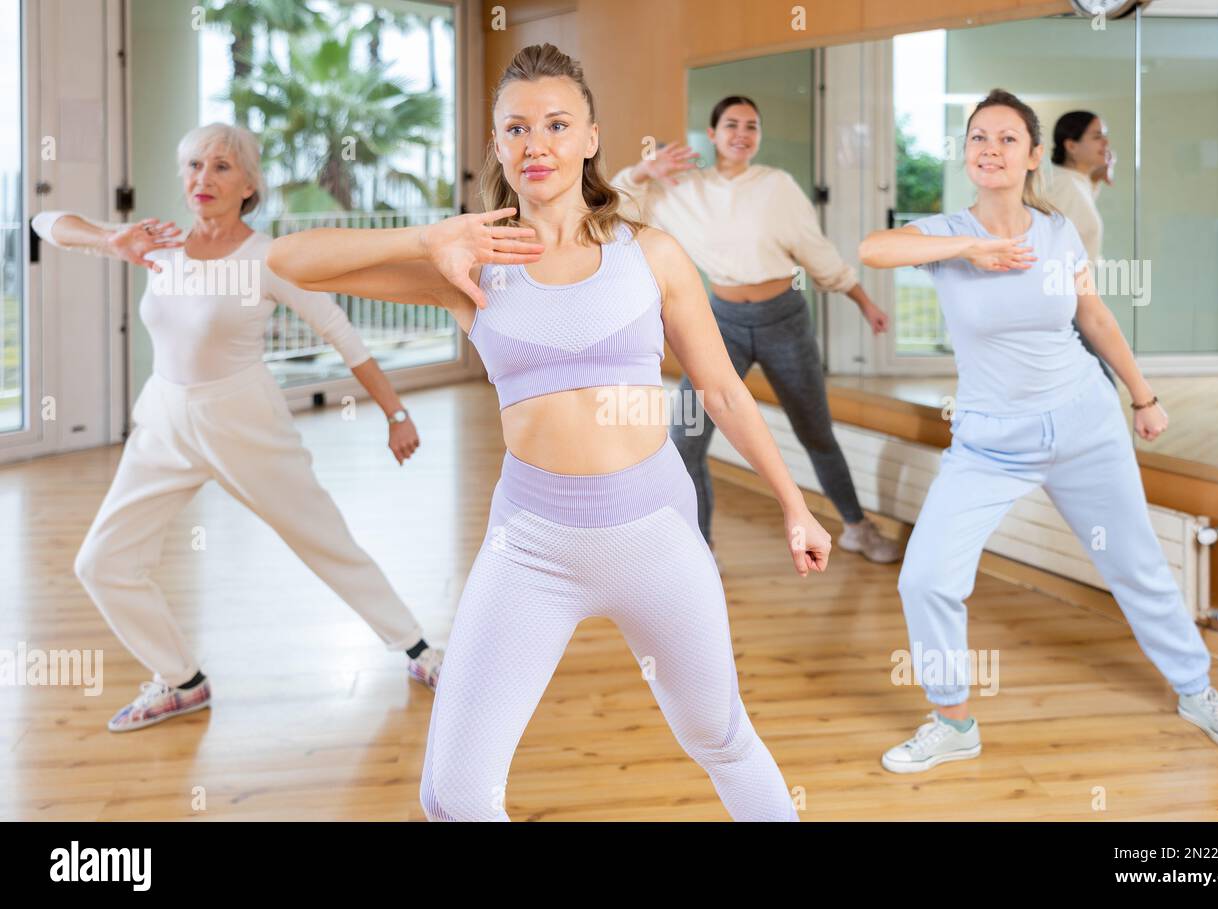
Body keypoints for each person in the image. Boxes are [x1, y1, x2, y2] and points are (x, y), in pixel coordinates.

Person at [267, 43, 832, 821]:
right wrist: (426, 238)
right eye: (516, 129)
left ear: (591, 137)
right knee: (456, 791)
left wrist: (793, 503)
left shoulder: (651, 252)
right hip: (532, 544)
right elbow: (289, 258)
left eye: (557, 124)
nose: (536, 145)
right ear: (497, 145)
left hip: (658, 534)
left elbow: (724, 392)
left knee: (721, 736)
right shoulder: (471, 269)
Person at [858, 89, 1218, 773]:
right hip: (988, 441)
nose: (990, 148)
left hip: (1083, 423)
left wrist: (1143, 395)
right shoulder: (944, 235)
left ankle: (1197, 689)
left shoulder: (1056, 230)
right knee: (925, 575)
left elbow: (1093, 317)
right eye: (978, 137)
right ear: (966, 153)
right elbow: (872, 248)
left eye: (1008, 138)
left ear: (1034, 155)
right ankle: (952, 719)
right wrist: (970, 247)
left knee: (1136, 565)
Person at [34, 123, 443, 733]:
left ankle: (418, 650)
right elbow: (47, 223)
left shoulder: (266, 259)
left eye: (223, 167)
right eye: (195, 164)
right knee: (102, 561)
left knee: (321, 538)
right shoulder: (156, 245)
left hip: (244, 422)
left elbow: (339, 330)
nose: (204, 177)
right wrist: (110, 238)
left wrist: (397, 413)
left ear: (250, 184)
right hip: (165, 421)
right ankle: (180, 681)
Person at [609, 97, 900, 567]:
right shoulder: (681, 189)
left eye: (751, 126)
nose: (742, 133)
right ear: (713, 131)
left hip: (784, 319)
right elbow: (615, 208)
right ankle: (700, 547)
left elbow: (815, 249)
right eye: (731, 124)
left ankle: (856, 528)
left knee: (815, 431)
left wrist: (862, 300)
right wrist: (644, 171)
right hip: (719, 321)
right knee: (687, 437)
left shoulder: (777, 186)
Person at [1044, 109, 1116, 385]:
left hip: (1071, 300)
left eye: (1106, 136)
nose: (1106, 144)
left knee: (1094, 383)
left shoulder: (1073, 182)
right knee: (1102, 382)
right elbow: (1055, 243)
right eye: (1097, 136)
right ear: (1071, 146)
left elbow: (1078, 223)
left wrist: (1097, 177)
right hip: (1065, 302)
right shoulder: (1066, 186)